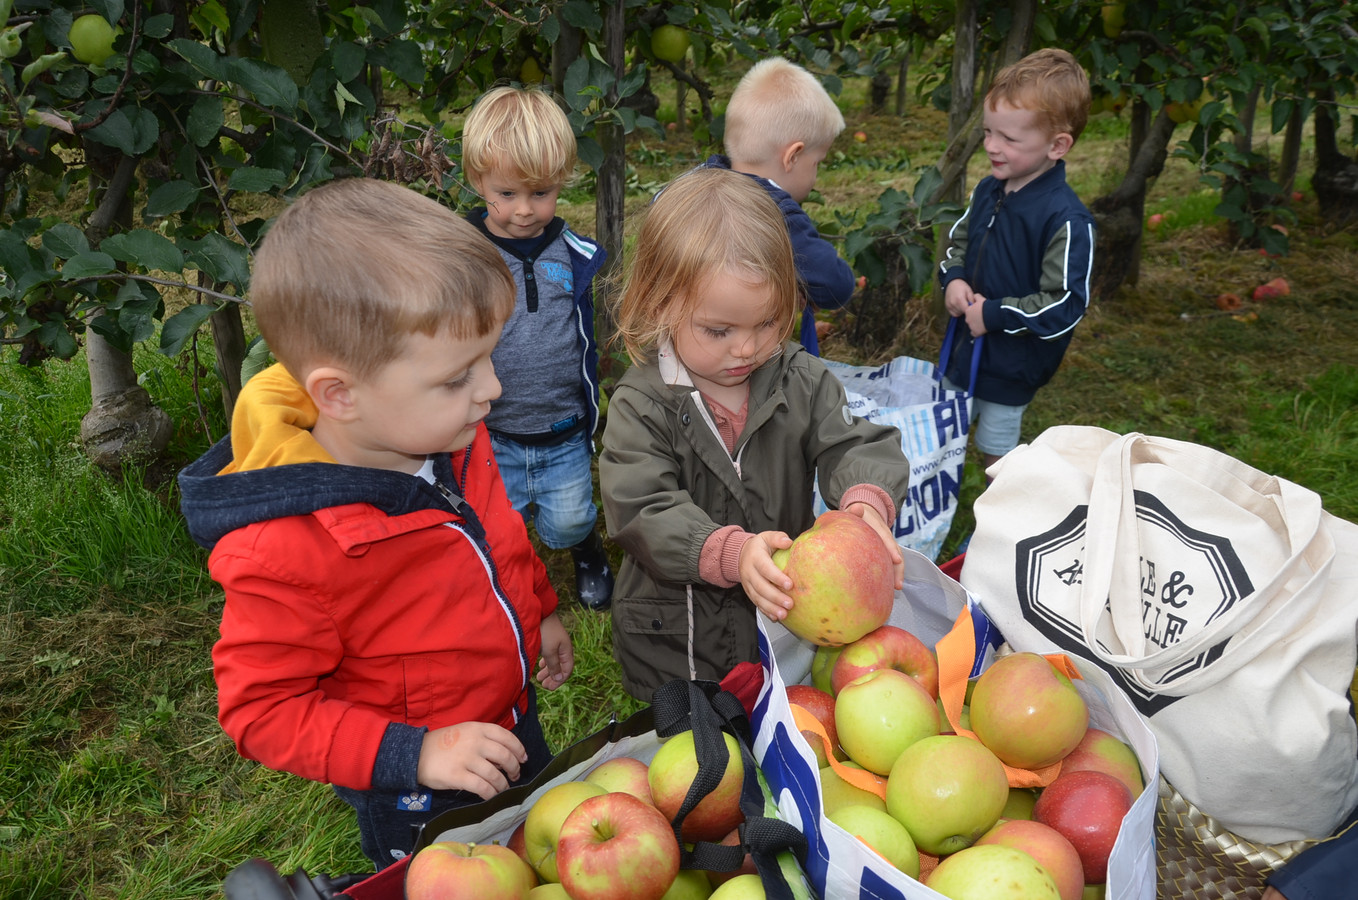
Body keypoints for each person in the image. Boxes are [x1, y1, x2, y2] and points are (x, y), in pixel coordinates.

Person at [177, 178, 574, 869]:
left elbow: (496, 537)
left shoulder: (448, 434)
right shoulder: (286, 549)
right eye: (458, 376)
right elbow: (261, 712)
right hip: (417, 786)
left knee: (532, 846)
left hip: (507, 713)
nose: (492, 390)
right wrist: (415, 753)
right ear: (339, 394)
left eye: (489, 358)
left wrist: (538, 611)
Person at [599, 167, 911, 701]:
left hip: (781, 626)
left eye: (767, 323)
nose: (745, 348)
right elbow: (641, 507)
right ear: (659, 305)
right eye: (719, 330)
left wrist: (864, 504)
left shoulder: (801, 378)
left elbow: (855, 443)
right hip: (677, 643)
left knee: (779, 739)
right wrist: (726, 552)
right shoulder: (643, 403)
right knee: (699, 764)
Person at [461, 85, 614, 610]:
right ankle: (512, 569)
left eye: (541, 193)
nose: (525, 210)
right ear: (478, 181)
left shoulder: (573, 255)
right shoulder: (465, 255)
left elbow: (587, 331)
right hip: (492, 426)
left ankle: (585, 547)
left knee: (569, 515)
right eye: (506, 194)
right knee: (499, 518)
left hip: (562, 426)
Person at [937, 47, 1095, 476]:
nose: (991, 147)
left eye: (1008, 139)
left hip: (1013, 364)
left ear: (1057, 145)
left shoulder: (1066, 219)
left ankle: (998, 522)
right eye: (988, 132)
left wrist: (995, 314)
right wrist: (952, 278)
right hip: (964, 348)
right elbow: (959, 240)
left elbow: (1064, 303)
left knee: (997, 452)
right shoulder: (989, 189)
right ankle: (934, 502)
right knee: (944, 433)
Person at [699, 57, 856, 357]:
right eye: (817, 163)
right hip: (737, 360)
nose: (815, 174)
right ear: (792, 156)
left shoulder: (689, 187)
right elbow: (835, 284)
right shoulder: (774, 213)